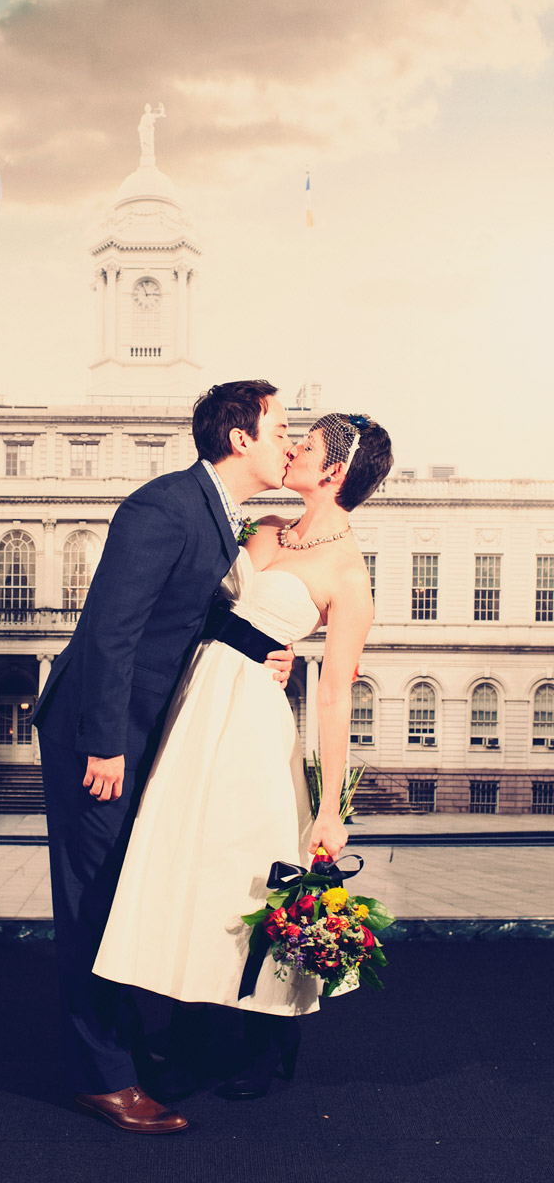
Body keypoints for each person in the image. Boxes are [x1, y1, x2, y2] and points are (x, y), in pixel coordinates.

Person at [93, 412, 394, 1100]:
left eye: (307, 446)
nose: (291, 450)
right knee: (186, 864)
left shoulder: (347, 575)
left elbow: (336, 697)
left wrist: (329, 808)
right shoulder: (261, 531)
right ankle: (192, 1026)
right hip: (194, 705)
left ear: (334, 472)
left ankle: (268, 1036)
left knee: (242, 875)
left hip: (254, 729)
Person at [32, 380, 295, 1133]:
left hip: (148, 730)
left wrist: (267, 657)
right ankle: (103, 1077)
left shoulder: (214, 514)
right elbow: (111, 629)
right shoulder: (164, 506)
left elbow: (195, 611)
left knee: (121, 893)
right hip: (103, 735)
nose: (287, 440)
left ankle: (125, 1052)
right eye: (280, 427)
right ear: (240, 437)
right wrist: (105, 744)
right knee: (92, 903)